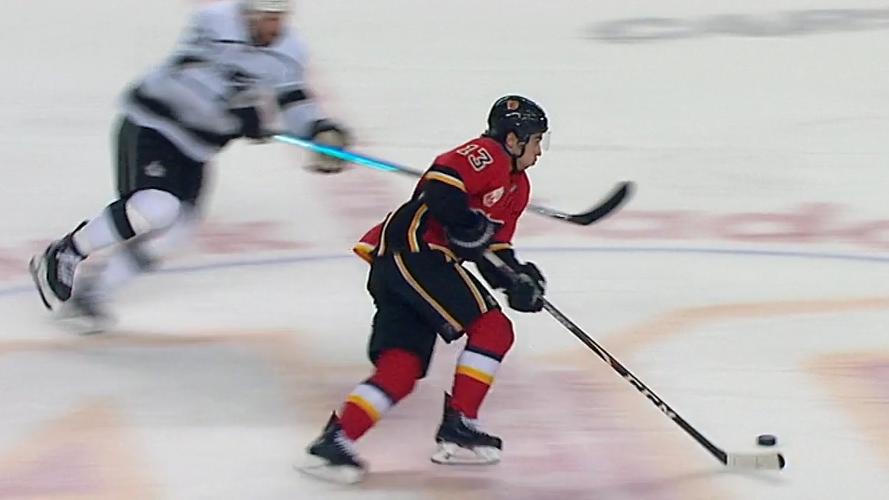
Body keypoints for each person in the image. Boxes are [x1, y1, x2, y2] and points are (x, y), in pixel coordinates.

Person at [29, 0, 349, 330]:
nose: (274, 27)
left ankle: (91, 296)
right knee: (157, 207)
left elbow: (293, 100)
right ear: (248, 13)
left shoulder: (290, 49)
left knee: (174, 233)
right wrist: (237, 113)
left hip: (195, 149)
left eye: (280, 18)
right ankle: (65, 252)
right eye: (267, 17)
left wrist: (319, 131)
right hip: (152, 126)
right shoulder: (214, 22)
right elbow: (186, 81)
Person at [300, 95, 550, 484]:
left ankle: (336, 441)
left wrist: (518, 279)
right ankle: (460, 423)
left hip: (402, 268)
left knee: (401, 369)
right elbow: (442, 184)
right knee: (493, 328)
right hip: (417, 253)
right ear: (513, 139)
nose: (539, 151)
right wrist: (465, 222)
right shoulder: (489, 153)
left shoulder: (518, 188)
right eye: (535, 141)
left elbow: (493, 250)